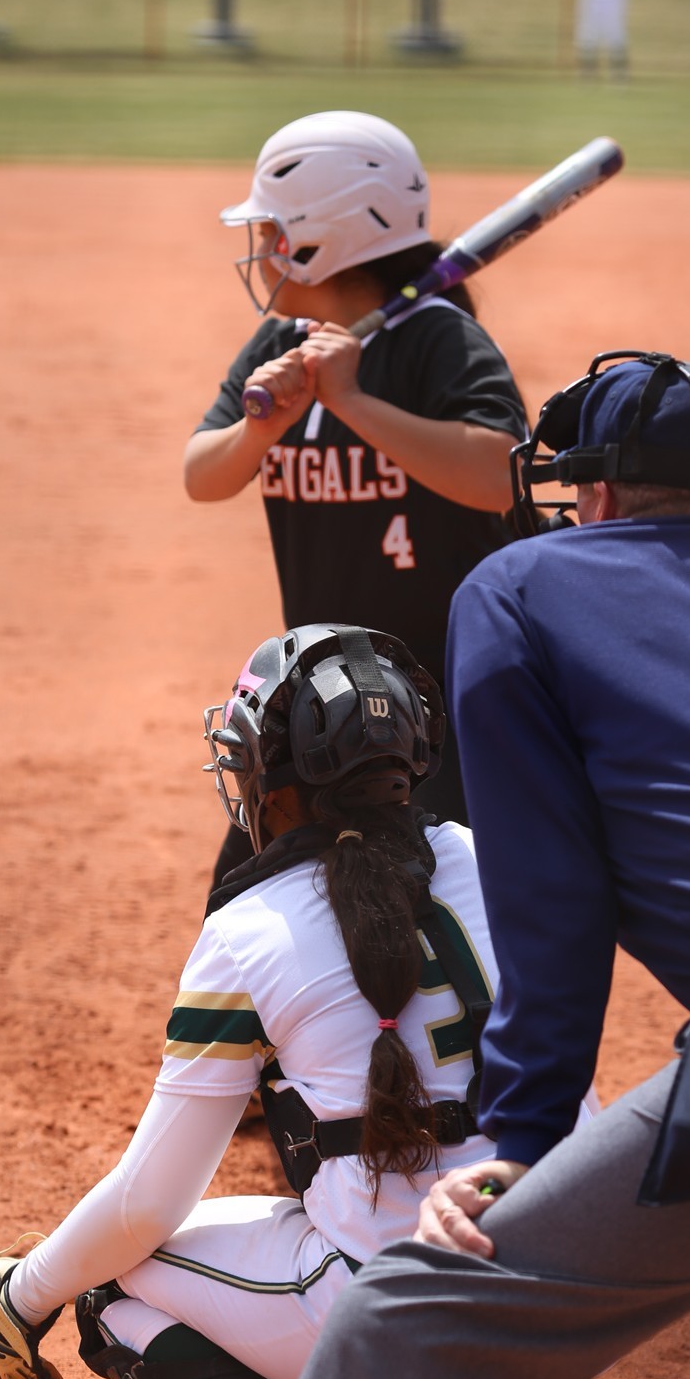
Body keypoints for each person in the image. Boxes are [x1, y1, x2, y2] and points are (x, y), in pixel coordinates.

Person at [230, 352, 690, 1379]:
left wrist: (518, 1142)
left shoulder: (521, 586)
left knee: (410, 1321)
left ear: (595, 494)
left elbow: (548, 910)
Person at [0, 623, 624, 1379]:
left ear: (275, 774)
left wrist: (22, 1296)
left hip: (408, 1323)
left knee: (112, 1282)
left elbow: (149, 1200)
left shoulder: (249, 930)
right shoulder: (497, 855)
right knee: (487, 1183)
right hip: (585, 1293)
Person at [184, 111, 528, 886]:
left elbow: (496, 472)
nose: (263, 250)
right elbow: (203, 476)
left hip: (441, 707)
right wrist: (259, 425)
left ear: (324, 237)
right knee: (241, 900)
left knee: (441, 902)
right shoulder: (283, 346)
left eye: (276, 233)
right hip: (318, 693)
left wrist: (350, 403)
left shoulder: (434, 339)